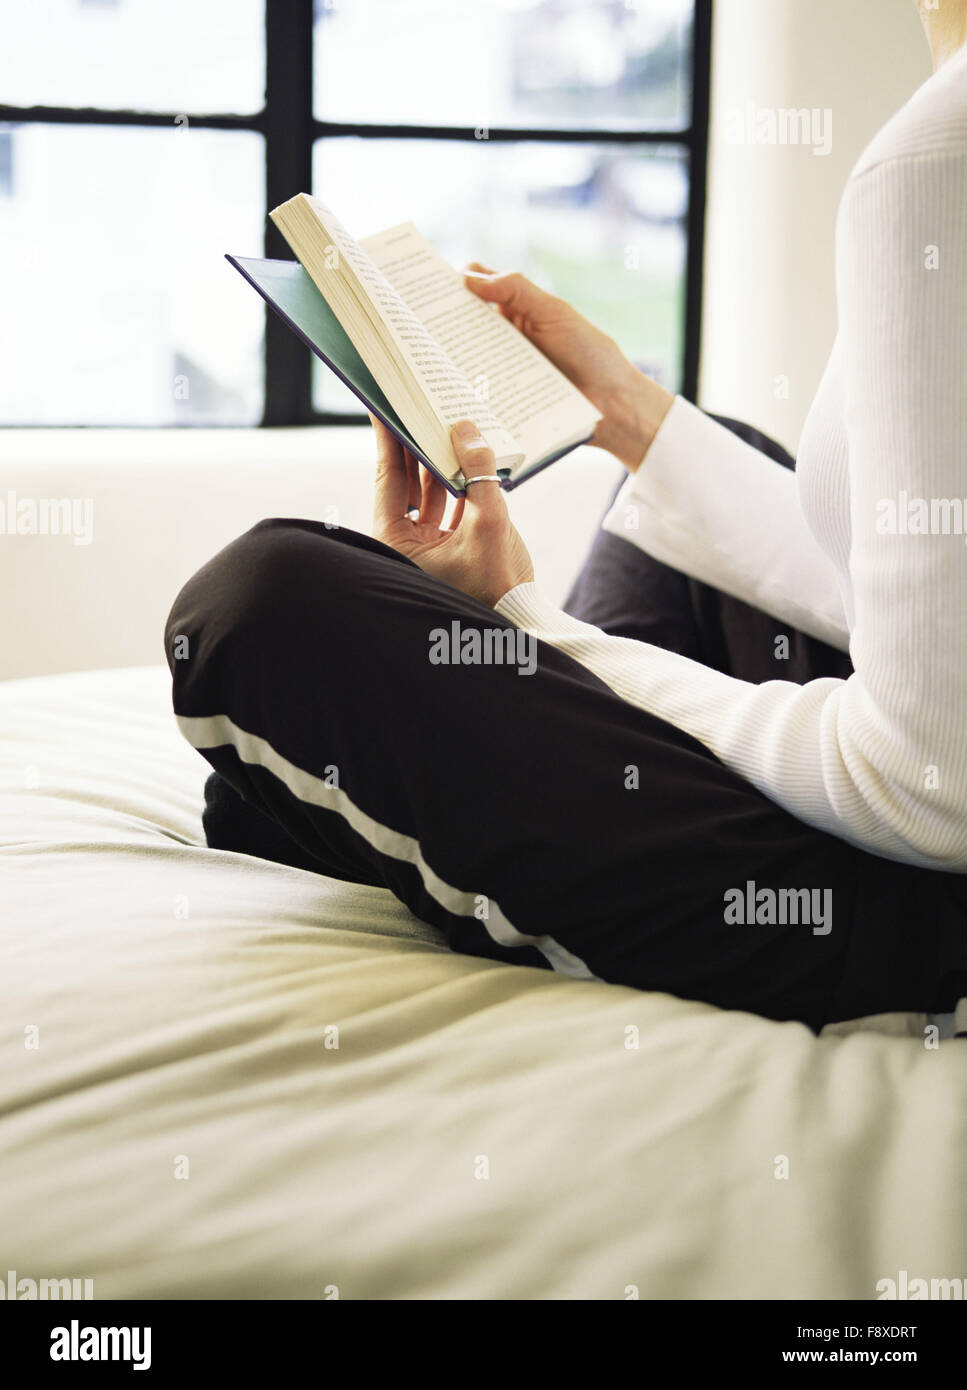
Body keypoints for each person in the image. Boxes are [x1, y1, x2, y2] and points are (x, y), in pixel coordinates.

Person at [166, 7, 967, 1032]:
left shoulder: (934, 161)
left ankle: (439, 776)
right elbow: (926, 611)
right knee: (702, 473)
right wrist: (630, 417)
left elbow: (930, 786)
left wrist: (528, 629)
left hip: (916, 911)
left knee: (263, 605)